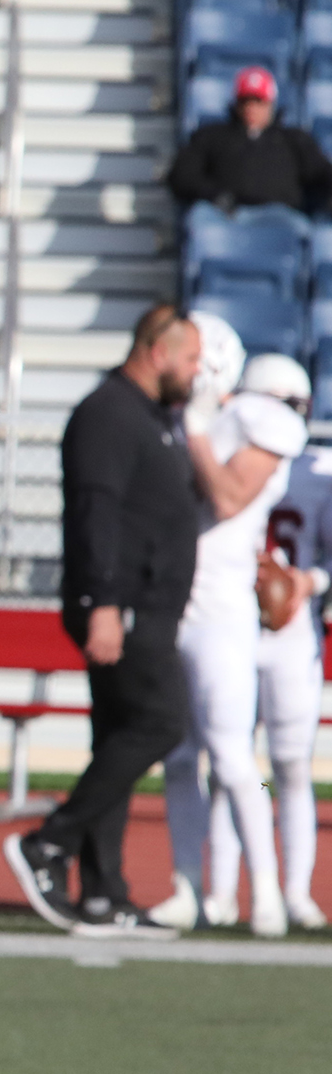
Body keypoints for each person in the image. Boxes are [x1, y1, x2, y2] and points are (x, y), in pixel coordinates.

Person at [3, 304, 203, 938]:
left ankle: (103, 891)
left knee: (118, 735)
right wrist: (104, 604)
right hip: (125, 605)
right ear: (157, 351)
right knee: (159, 722)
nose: (198, 371)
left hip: (151, 605)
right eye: (191, 357)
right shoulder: (109, 414)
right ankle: (49, 842)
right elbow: (98, 516)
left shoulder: (154, 417)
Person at [150, 354, 311, 938]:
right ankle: (188, 887)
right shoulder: (203, 422)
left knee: (237, 760)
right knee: (178, 758)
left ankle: (266, 889)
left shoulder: (253, 424)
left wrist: (193, 426)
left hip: (222, 612)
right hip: (175, 603)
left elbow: (223, 499)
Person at [248, 442, 332, 931]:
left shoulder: (317, 473)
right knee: (240, 769)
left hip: (293, 640)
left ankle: (296, 890)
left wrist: (309, 581)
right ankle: (223, 891)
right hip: (236, 634)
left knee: (291, 768)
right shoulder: (229, 459)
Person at [170, 65, 332, 227]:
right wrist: (214, 195)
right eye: (245, 101)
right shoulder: (212, 136)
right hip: (226, 215)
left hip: (280, 218)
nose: (251, 108)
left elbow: (322, 173)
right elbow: (182, 175)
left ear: (271, 104)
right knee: (201, 216)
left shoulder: (294, 139)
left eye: (258, 101)